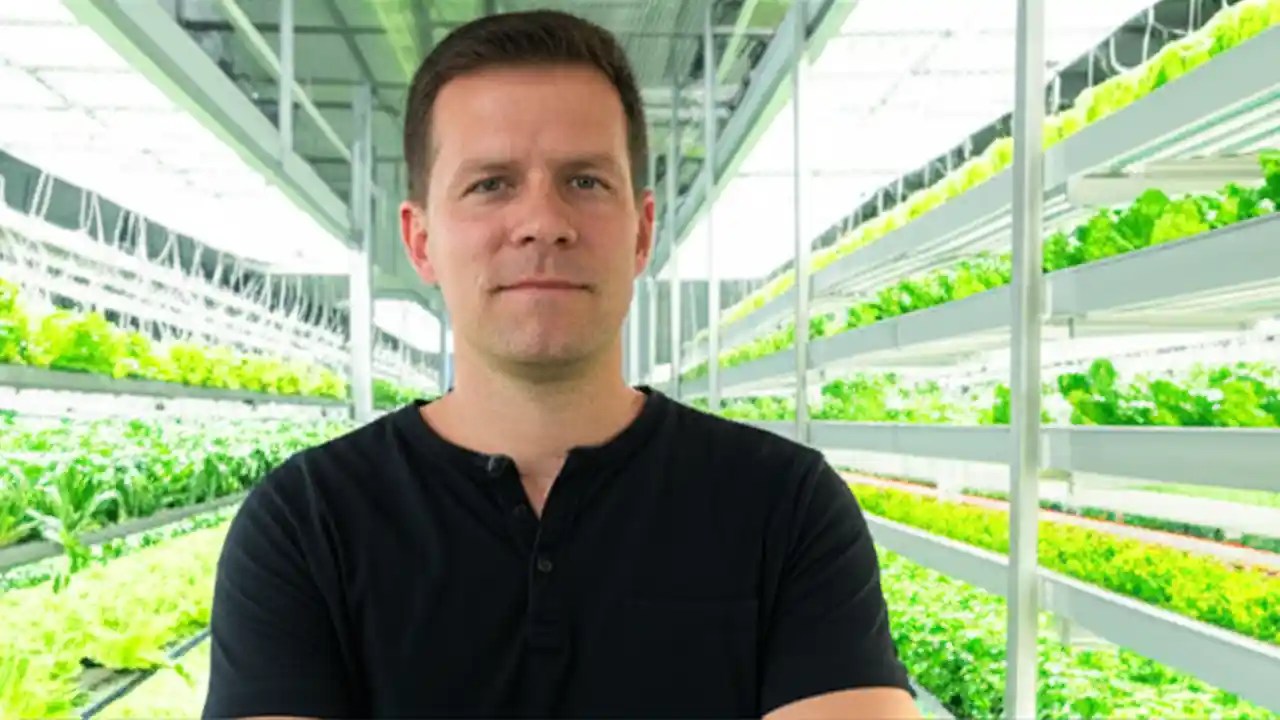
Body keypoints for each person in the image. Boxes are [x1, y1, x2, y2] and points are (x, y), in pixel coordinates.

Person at [202, 9, 918, 720]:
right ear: (421, 241)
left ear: (642, 233)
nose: (543, 221)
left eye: (584, 181)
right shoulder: (305, 524)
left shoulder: (786, 509)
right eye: (491, 184)